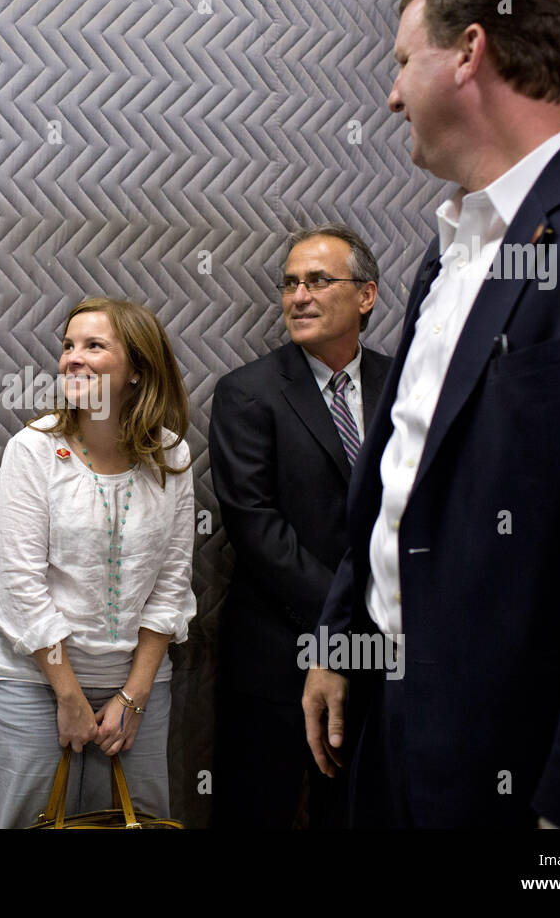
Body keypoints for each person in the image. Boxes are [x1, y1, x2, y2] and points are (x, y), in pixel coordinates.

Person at [302, 0, 560, 827]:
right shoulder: (445, 248)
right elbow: (399, 481)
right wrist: (341, 641)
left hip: (517, 756)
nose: (390, 97)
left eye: (402, 62)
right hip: (390, 718)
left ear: (468, 54)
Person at [0, 298, 196, 828]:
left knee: (130, 823)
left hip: (136, 687)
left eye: (94, 346)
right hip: (30, 683)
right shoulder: (32, 450)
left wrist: (135, 694)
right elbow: (18, 586)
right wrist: (69, 697)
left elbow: (171, 583)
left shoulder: (172, 456)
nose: (72, 358)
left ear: (138, 370)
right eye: (68, 346)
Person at [210, 223, 390, 828]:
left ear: (365, 295)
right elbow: (259, 533)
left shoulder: (406, 387)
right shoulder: (247, 394)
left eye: (317, 280)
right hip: (276, 663)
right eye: (289, 284)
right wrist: (345, 622)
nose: (299, 296)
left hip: (382, 661)